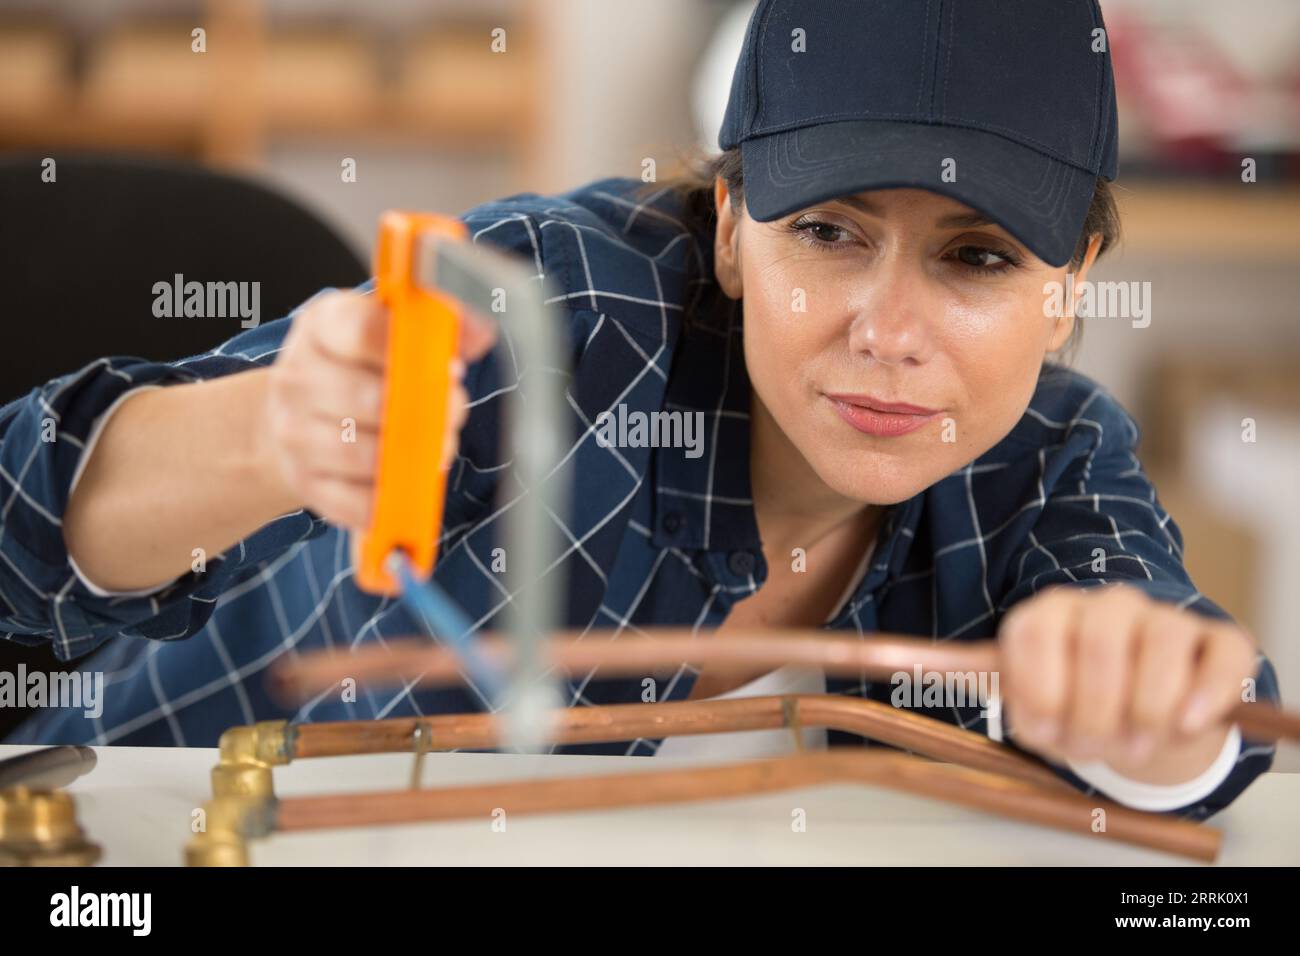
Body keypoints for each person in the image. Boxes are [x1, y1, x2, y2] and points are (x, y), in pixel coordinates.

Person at [0, 0, 1277, 820]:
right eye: (828, 232)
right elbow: (18, 536)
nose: (888, 333)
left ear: (1070, 293)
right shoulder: (534, 313)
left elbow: (1203, 719)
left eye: (979, 258)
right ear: (728, 229)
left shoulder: (1051, 455)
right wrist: (269, 427)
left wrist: (1141, 705)